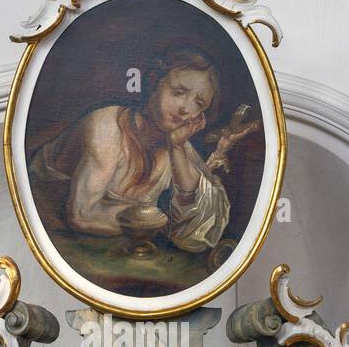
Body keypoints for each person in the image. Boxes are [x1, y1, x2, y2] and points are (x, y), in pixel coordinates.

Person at [28, 46, 231, 253]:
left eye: (198, 103)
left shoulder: (176, 144)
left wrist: (177, 147)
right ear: (154, 81)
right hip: (45, 233)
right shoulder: (107, 127)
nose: (185, 109)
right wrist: (162, 223)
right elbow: (82, 214)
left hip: (110, 247)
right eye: (179, 92)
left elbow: (199, 223)